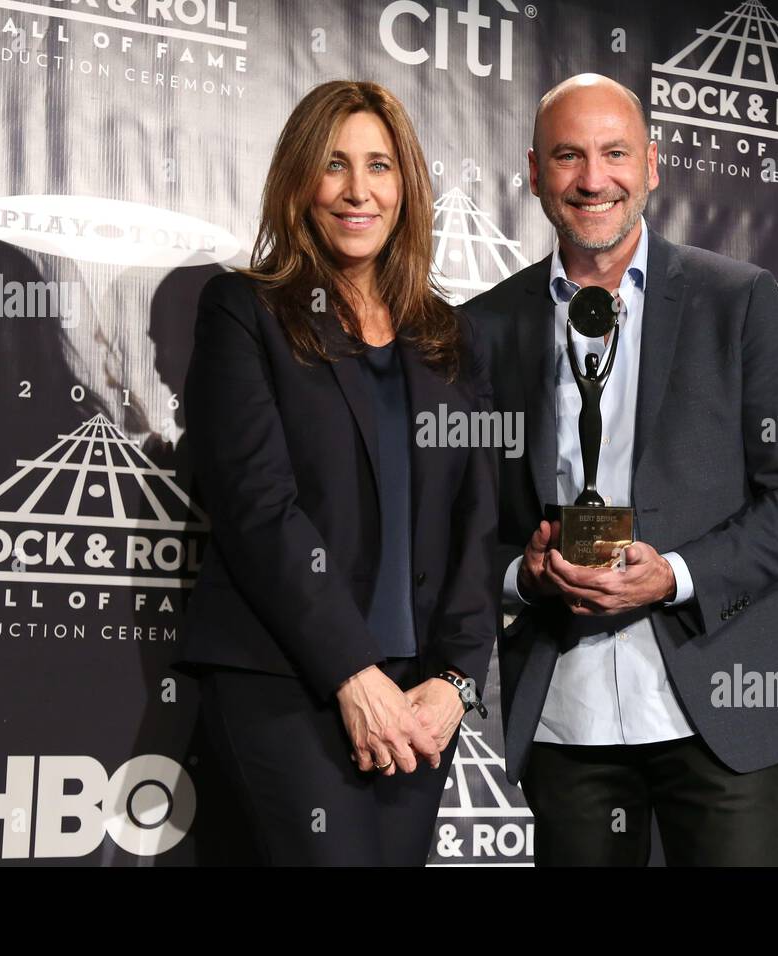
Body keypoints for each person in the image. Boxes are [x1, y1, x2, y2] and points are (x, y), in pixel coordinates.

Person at [462, 74, 778, 866]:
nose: (593, 179)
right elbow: (464, 528)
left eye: (614, 153)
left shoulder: (739, 301)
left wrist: (673, 574)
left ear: (654, 165)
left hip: (717, 706)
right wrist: (523, 576)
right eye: (568, 156)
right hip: (567, 715)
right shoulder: (485, 328)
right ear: (532, 172)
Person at [176, 80, 498, 866]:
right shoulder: (244, 312)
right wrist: (352, 674)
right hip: (287, 683)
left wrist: (456, 681)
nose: (359, 190)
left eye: (380, 166)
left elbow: (478, 525)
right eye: (334, 165)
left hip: (419, 698)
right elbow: (257, 508)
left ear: (406, 186)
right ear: (298, 181)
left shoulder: (450, 339)